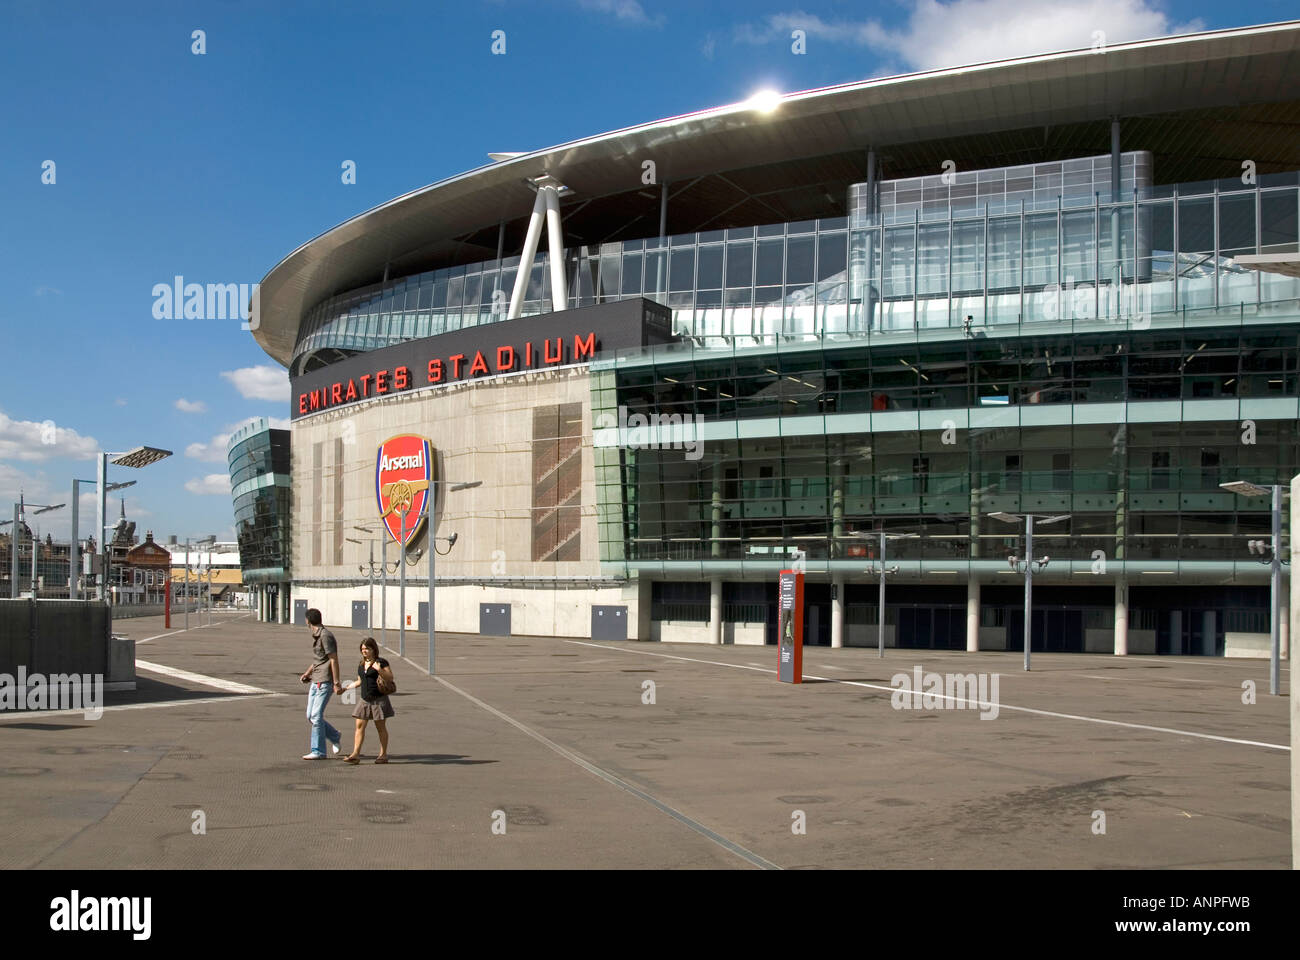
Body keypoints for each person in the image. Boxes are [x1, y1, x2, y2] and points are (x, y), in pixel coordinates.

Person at [340, 637, 395, 764]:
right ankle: (355, 754)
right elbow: (360, 681)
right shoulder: (361, 664)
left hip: (378, 700)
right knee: (359, 726)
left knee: (380, 727)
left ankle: (383, 754)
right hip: (365, 700)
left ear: (373, 649)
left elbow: (390, 677)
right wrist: (346, 688)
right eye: (362, 649)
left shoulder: (381, 662)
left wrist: (379, 669)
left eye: (367, 649)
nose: (364, 651)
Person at [299, 608, 343, 759]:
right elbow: (318, 659)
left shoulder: (325, 636)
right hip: (315, 680)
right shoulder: (317, 636)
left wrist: (336, 683)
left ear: (308, 621)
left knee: (316, 716)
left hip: (324, 681)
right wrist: (307, 673)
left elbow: (333, 659)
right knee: (310, 716)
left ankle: (318, 751)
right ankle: (335, 735)